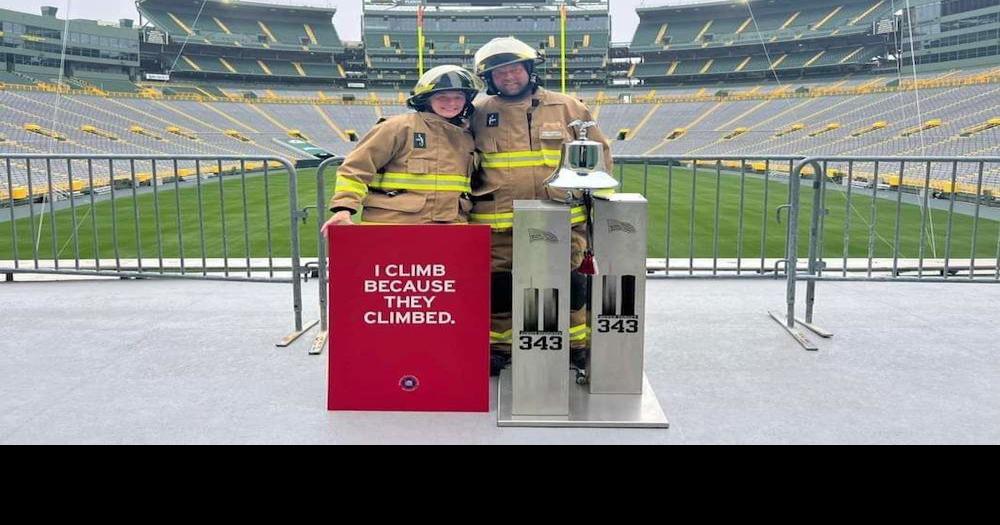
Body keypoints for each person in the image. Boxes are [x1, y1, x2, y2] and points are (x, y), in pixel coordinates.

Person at [468, 37, 613, 376]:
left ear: (529, 69)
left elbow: (600, 154)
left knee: (571, 284)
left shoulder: (568, 108)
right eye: (499, 71)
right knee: (500, 287)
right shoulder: (477, 113)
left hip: (563, 220)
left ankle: (575, 345)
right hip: (499, 222)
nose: (509, 76)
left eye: (515, 68)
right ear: (489, 78)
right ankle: (500, 347)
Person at [325, 65, 480, 228]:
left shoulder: (466, 138)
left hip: (451, 227)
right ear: (426, 98)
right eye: (442, 96)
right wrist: (344, 208)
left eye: (458, 97)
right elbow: (356, 168)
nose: (451, 103)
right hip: (394, 226)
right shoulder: (398, 127)